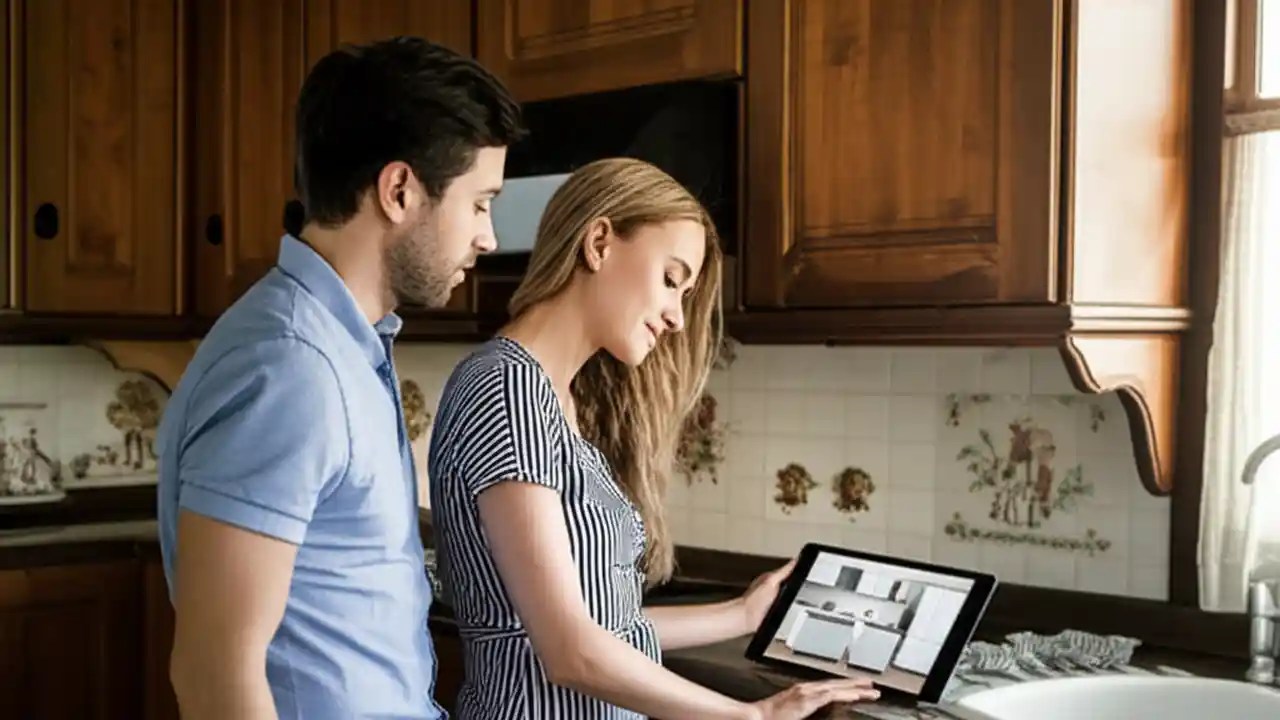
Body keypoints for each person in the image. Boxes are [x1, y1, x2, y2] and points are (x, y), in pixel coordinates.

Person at [428, 158, 880, 719]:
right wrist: (754, 716)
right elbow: (569, 652)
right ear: (599, 243)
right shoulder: (507, 387)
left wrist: (741, 614)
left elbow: (604, 627)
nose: (677, 319)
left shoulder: (556, 401)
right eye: (671, 280)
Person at [155, 37, 524, 720]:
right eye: (479, 203)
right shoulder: (293, 367)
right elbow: (213, 676)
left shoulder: (344, 347)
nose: (488, 236)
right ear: (400, 191)